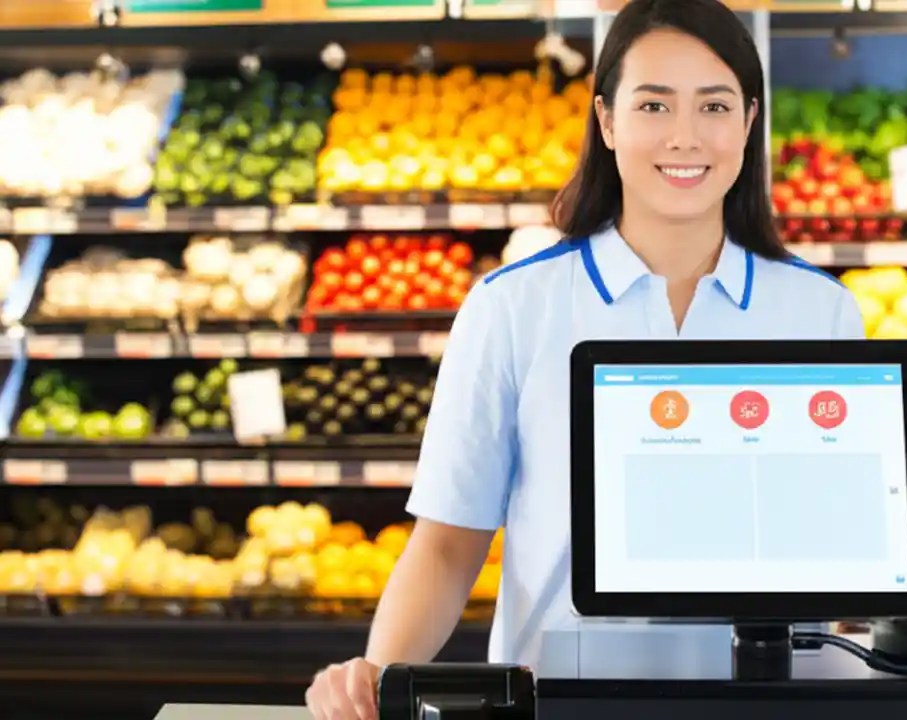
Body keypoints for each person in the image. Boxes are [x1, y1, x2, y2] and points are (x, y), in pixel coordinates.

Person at [305, 0, 864, 717]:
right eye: (654, 105)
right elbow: (447, 545)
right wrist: (376, 678)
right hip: (557, 702)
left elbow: (841, 551)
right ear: (606, 121)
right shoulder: (512, 306)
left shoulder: (821, 311)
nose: (686, 137)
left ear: (751, 121)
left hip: (765, 700)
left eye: (715, 106)